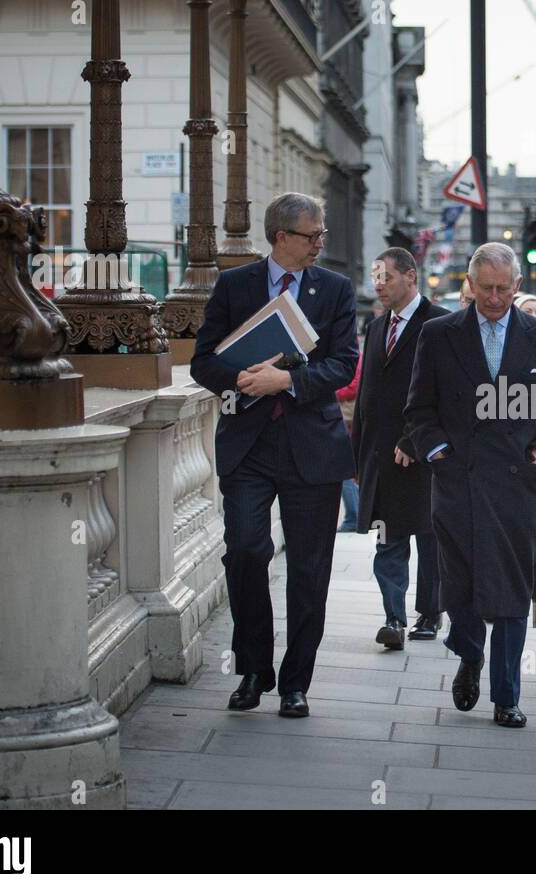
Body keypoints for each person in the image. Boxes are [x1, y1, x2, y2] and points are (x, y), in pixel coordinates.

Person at [190, 192, 358, 718]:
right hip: (249, 445)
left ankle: (295, 682)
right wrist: (239, 377)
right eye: (313, 236)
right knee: (245, 551)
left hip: (313, 445)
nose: (320, 243)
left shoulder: (334, 288)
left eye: (322, 235)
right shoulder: (234, 285)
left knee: (310, 568)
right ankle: (253, 668)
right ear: (281, 237)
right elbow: (201, 361)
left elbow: (345, 364)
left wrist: (288, 379)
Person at [405, 242, 536, 728]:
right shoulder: (438, 335)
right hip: (458, 483)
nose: (495, 298)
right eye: (486, 288)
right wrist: (437, 453)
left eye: (504, 289)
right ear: (470, 285)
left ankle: (506, 696)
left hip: (520, 486)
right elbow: (419, 408)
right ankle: (470, 652)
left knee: (513, 587)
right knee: (460, 585)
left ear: (518, 286)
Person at [354, 248, 450, 648]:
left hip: (425, 456)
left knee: (429, 539)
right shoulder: (377, 328)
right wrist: (357, 454)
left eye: (386, 277)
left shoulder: (441, 323)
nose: (378, 284)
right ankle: (394, 618)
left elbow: (446, 392)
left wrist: (414, 440)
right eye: (375, 277)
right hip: (380, 458)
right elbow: (367, 395)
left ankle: (429, 613)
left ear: (410, 277)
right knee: (387, 540)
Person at [336, 348, 363, 532]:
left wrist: (333, 393)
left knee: (344, 468)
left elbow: (355, 385)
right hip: (345, 418)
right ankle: (354, 515)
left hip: (346, 418)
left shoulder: (354, 355)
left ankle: (353, 515)